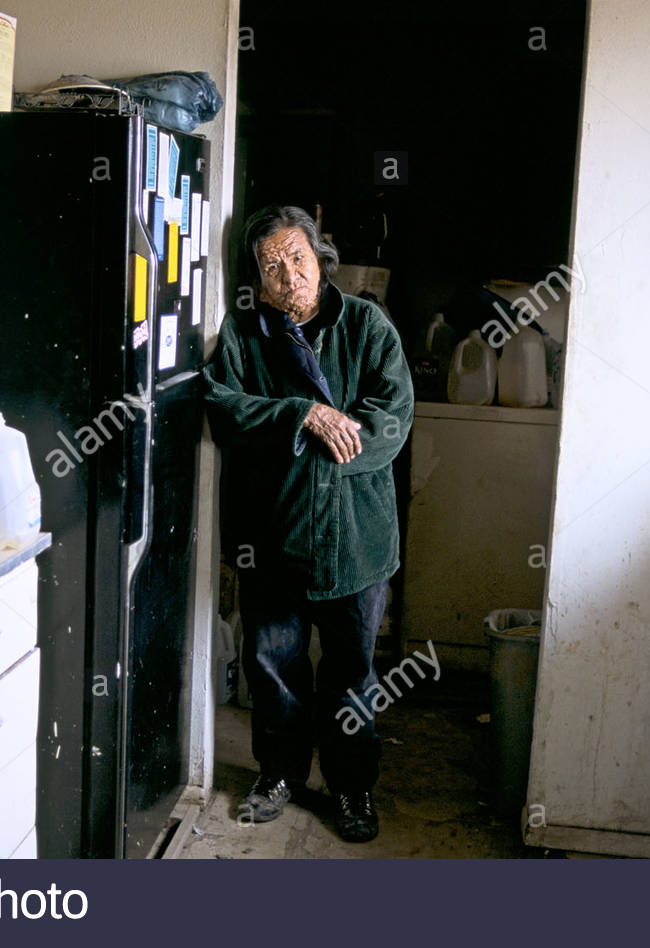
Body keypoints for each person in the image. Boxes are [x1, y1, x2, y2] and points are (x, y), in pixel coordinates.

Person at [203, 205, 414, 843]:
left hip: (357, 541)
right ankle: (279, 776)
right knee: (273, 664)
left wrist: (331, 437)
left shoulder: (368, 327)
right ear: (258, 281)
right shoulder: (244, 335)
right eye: (272, 266)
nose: (289, 275)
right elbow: (222, 406)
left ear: (321, 257)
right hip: (273, 540)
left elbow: (392, 416)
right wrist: (301, 415)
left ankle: (352, 788)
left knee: (352, 673)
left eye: (297, 257)